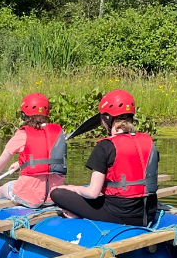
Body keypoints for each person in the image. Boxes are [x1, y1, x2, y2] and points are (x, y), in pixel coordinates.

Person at [49, 89, 158, 227]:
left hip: (119, 215)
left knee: (57, 193)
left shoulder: (105, 146)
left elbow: (93, 193)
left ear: (107, 119)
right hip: (148, 213)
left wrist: (73, 188)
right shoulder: (148, 141)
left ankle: (79, 215)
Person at [0, 93, 66, 207]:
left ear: (24, 115)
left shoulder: (22, 134)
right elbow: (47, 157)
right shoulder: (60, 133)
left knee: (1, 189)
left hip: (29, 198)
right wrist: (21, 163)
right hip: (54, 197)